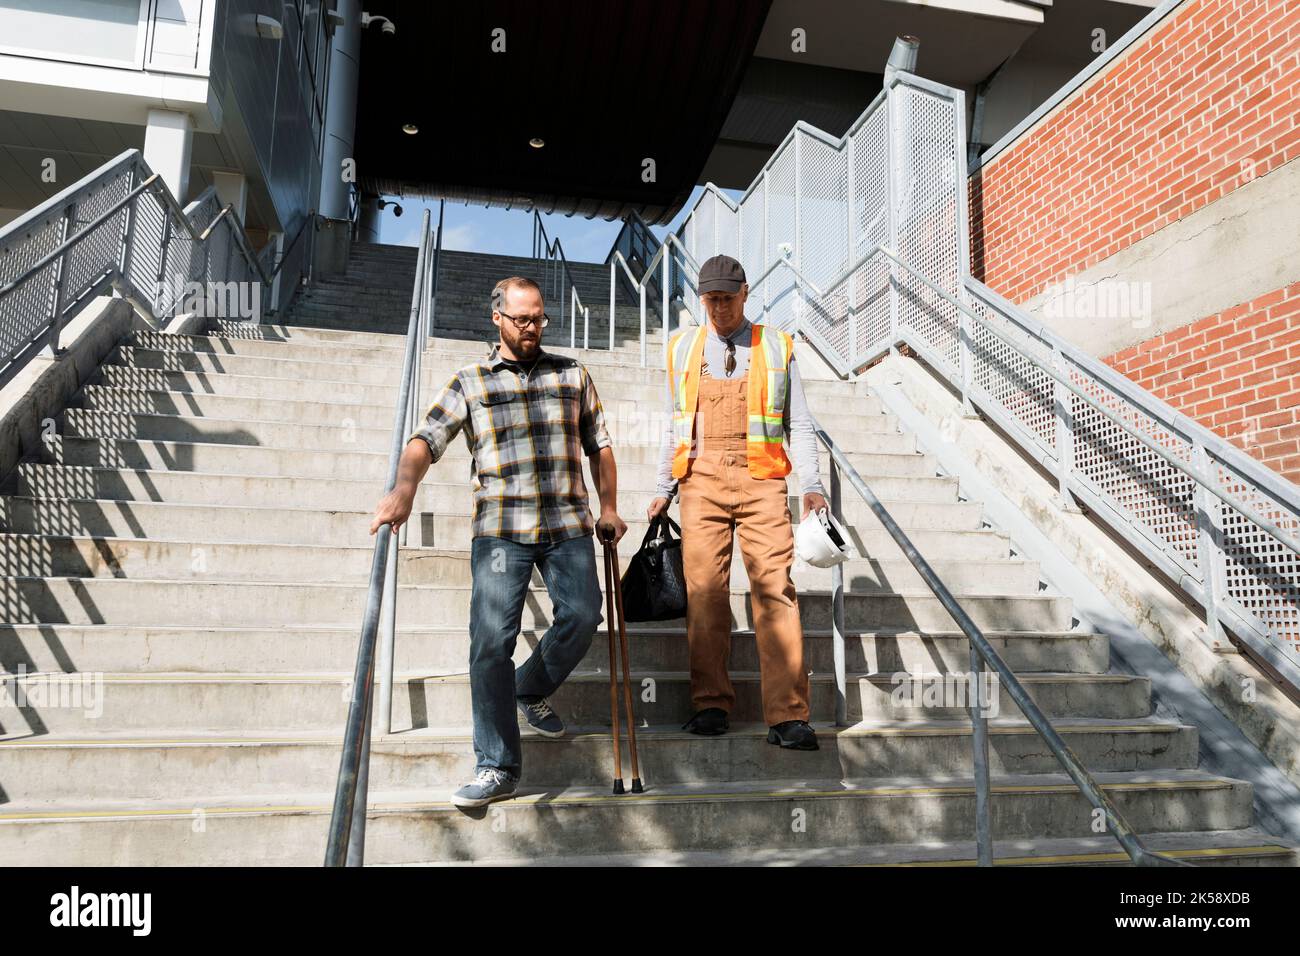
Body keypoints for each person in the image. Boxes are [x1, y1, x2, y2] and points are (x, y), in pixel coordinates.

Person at [371, 276, 627, 807]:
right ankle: (497, 765)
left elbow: (599, 445)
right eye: (522, 320)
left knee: (582, 615)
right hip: (501, 533)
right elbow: (425, 440)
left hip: (567, 525)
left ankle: (528, 688)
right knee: (490, 642)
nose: (533, 328)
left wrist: (608, 508)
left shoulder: (573, 375)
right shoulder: (470, 381)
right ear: (498, 318)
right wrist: (404, 488)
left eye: (539, 319)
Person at [647, 254, 826, 751]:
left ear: (746, 292)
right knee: (704, 591)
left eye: (727, 298)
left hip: (763, 478)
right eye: (711, 300)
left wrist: (812, 486)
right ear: (701, 298)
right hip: (699, 479)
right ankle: (710, 704)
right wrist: (663, 489)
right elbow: (674, 423)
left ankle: (789, 715)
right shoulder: (682, 347)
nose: (719, 308)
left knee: (775, 589)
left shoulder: (777, 345)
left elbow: (801, 424)